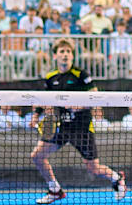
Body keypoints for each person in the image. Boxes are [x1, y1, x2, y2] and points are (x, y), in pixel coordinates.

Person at [29, 38, 126, 203]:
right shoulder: (51, 77)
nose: (65, 54)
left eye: (68, 52)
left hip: (82, 128)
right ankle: (55, 190)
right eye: (62, 51)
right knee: (37, 156)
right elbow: (44, 98)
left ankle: (117, 178)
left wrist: (79, 106)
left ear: (72, 56)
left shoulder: (81, 75)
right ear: (55, 56)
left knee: (94, 168)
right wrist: (36, 116)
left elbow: (96, 96)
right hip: (62, 127)